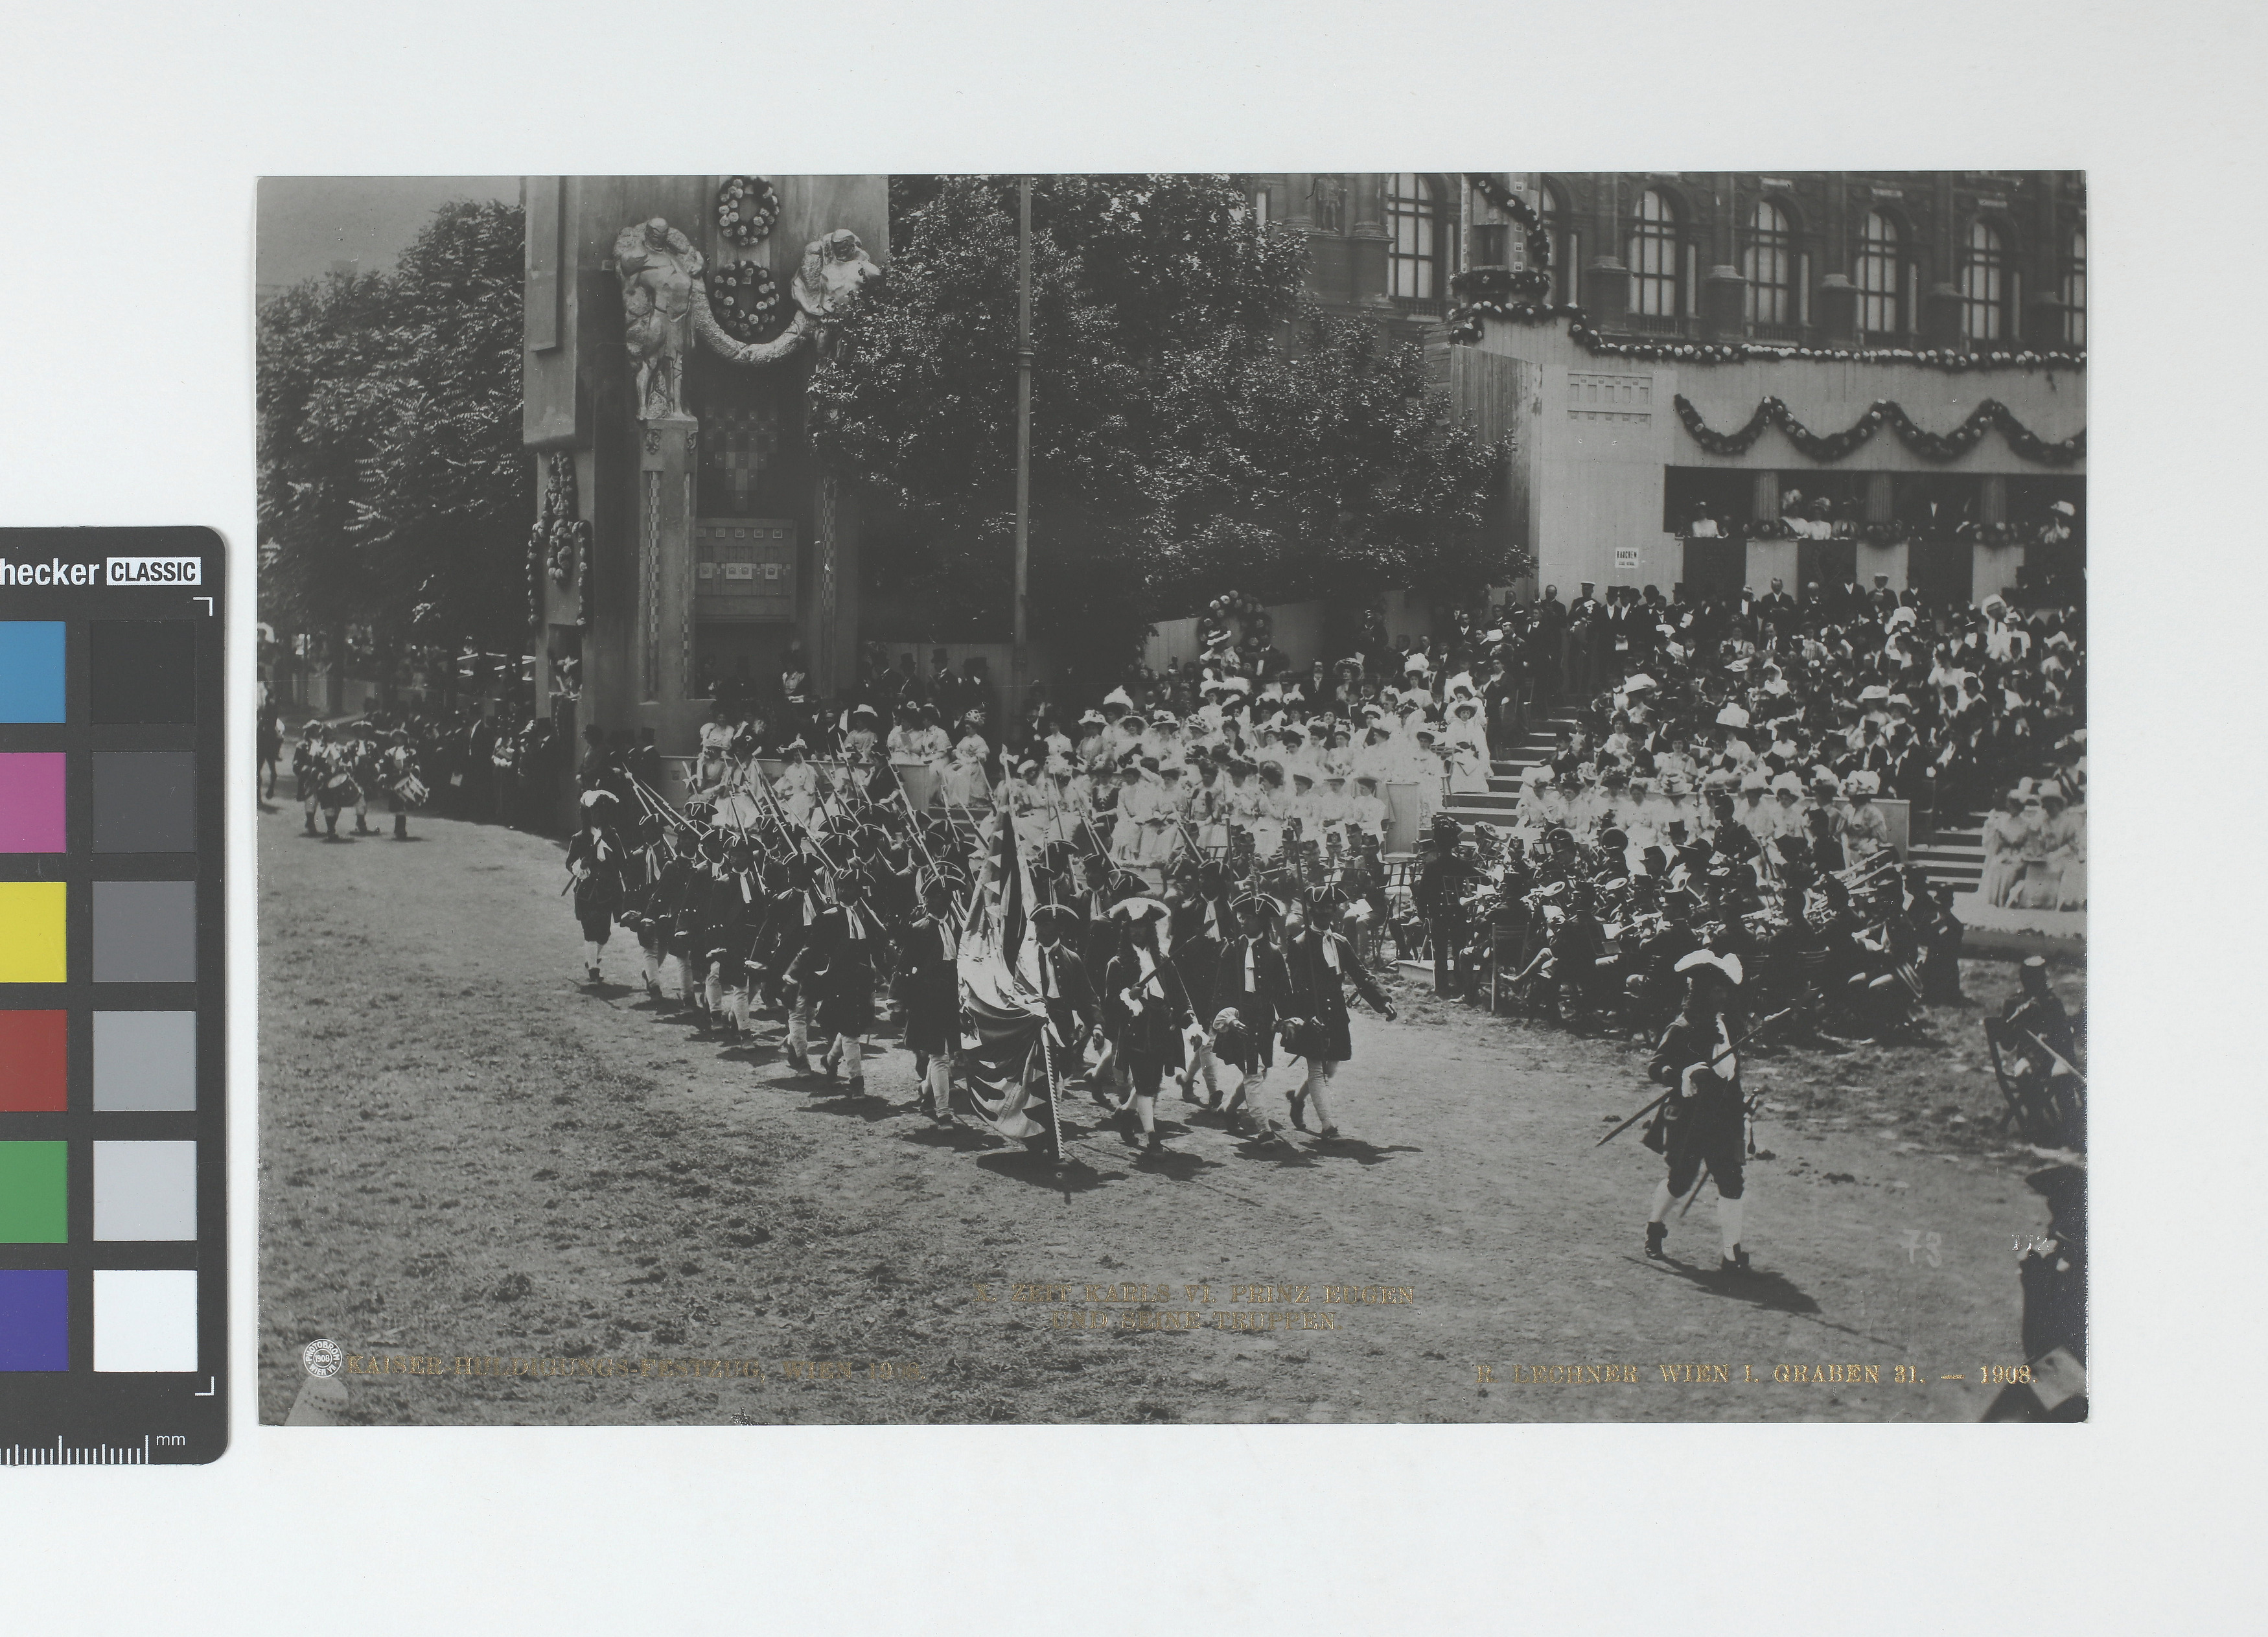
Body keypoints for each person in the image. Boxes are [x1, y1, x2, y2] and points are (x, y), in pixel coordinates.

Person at [1641, 949, 1753, 1275]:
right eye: (1717, 990)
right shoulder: (1682, 1027)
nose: (1724, 995)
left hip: (1723, 1117)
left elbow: (1732, 1074)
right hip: (1689, 1116)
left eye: (1726, 989)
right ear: (1702, 992)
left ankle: (1732, 1254)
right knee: (1680, 1181)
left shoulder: (1729, 1024)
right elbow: (1656, 1067)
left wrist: (1741, 1108)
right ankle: (1655, 1227)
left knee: (1732, 1182)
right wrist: (1683, 1074)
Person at [1276, 892, 1396, 1139]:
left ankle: (1297, 1099)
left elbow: (1360, 974)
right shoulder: (1300, 944)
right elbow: (1296, 988)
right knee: (1318, 1071)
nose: (1325, 916)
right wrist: (1307, 1017)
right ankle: (1328, 1126)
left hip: (1336, 1014)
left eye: (1330, 910)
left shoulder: (1340, 942)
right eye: (1319, 910)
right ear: (1311, 912)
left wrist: (1383, 1001)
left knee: (1329, 1070)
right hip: (1312, 1015)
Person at [1101, 898, 1195, 1152]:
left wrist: (1192, 1023)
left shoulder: (1162, 959)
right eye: (1132, 926)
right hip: (1135, 1031)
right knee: (1145, 1083)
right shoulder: (1117, 964)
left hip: (1162, 1028)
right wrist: (1127, 998)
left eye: (1142, 925)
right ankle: (1153, 1139)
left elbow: (1179, 994)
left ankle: (1126, 1115)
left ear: (1150, 928)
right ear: (1126, 929)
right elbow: (1109, 1004)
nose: (1137, 931)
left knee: (1151, 1081)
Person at [895, 876, 962, 1122]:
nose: (934, 901)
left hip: (952, 999)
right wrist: (897, 1001)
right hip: (928, 999)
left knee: (943, 1052)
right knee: (938, 1054)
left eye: (940, 897)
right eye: (930, 897)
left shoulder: (958, 928)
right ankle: (943, 1111)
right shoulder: (919, 929)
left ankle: (926, 1091)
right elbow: (903, 967)